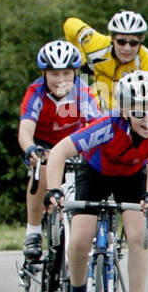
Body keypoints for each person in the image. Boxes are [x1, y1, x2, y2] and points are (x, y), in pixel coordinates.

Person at [43, 71, 148, 292]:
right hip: (95, 172)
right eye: (140, 114)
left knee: (139, 236)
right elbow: (58, 152)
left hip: (133, 176)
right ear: (125, 111)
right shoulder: (107, 125)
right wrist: (54, 189)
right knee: (80, 239)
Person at [17, 41, 103, 262]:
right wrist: (30, 149)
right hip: (43, 142)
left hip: (71, 143)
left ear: (75, 72)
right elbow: (25, 129)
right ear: (44, 73)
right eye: (54, 73)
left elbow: (95, 124)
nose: (61, 79)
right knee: (42, 174)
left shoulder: (82, 91)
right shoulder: (36, 92)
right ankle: (33, 232)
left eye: (66, 73)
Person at [64, 11, 148, 111]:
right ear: (112, 39)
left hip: (126, 113)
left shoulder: (145, 60)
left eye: (133, 43)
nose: (127, 48)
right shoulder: (96, 45)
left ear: (141, 41)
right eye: (121, 42)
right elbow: (70, 24)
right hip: (97, 108)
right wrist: (81, 61)